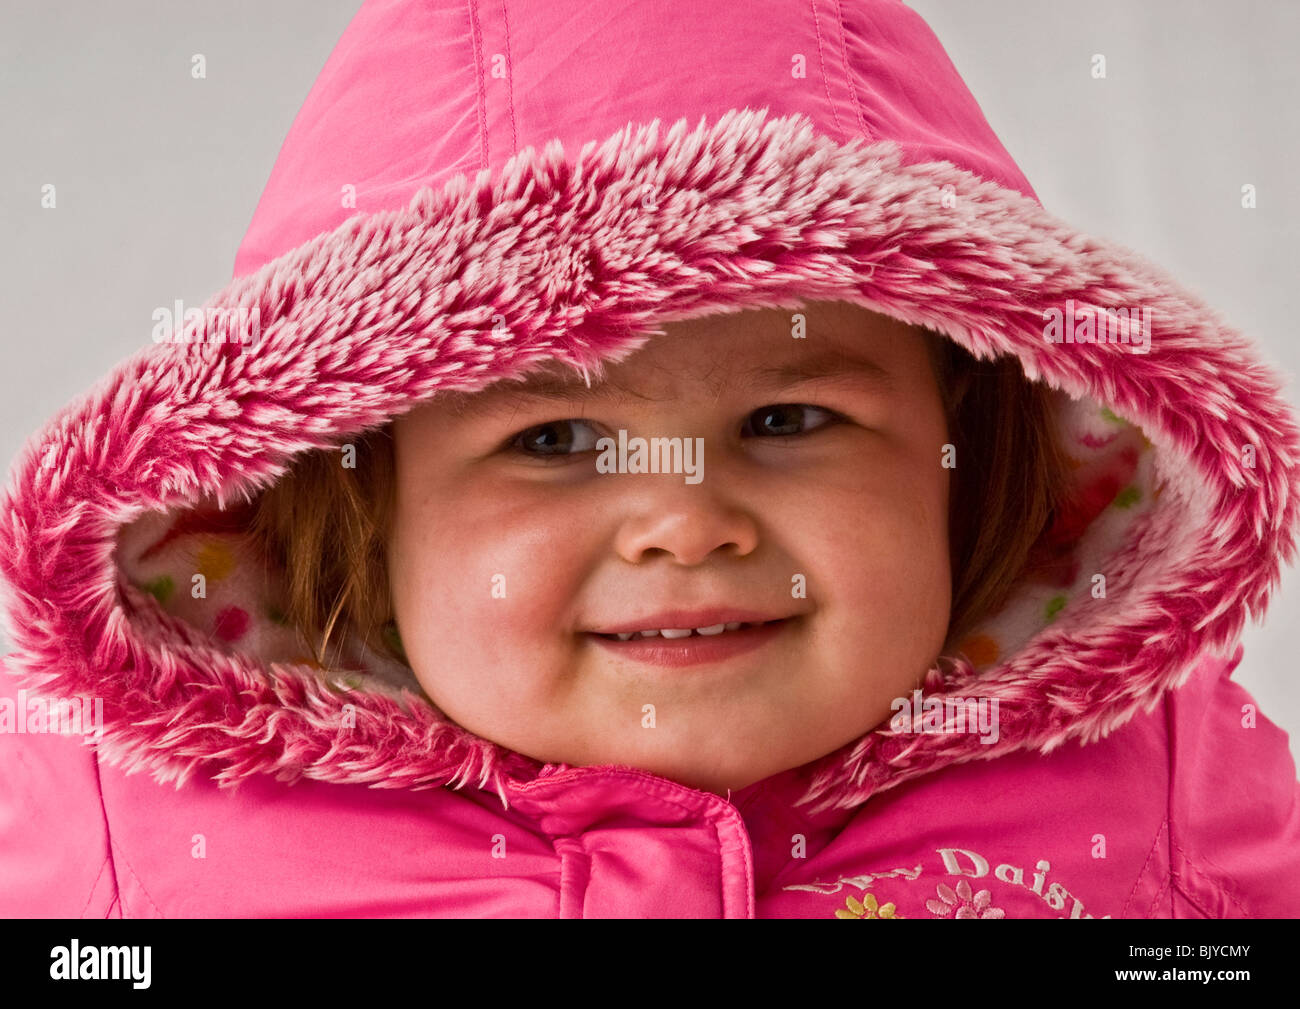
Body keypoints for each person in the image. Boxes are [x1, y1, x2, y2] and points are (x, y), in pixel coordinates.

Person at [2, 0, 1297, 919]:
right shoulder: (130, 840)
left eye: (787, 421)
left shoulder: (1164, 798)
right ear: (351, 500)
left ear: (973, 460)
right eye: (554, 440)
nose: (684, 525)